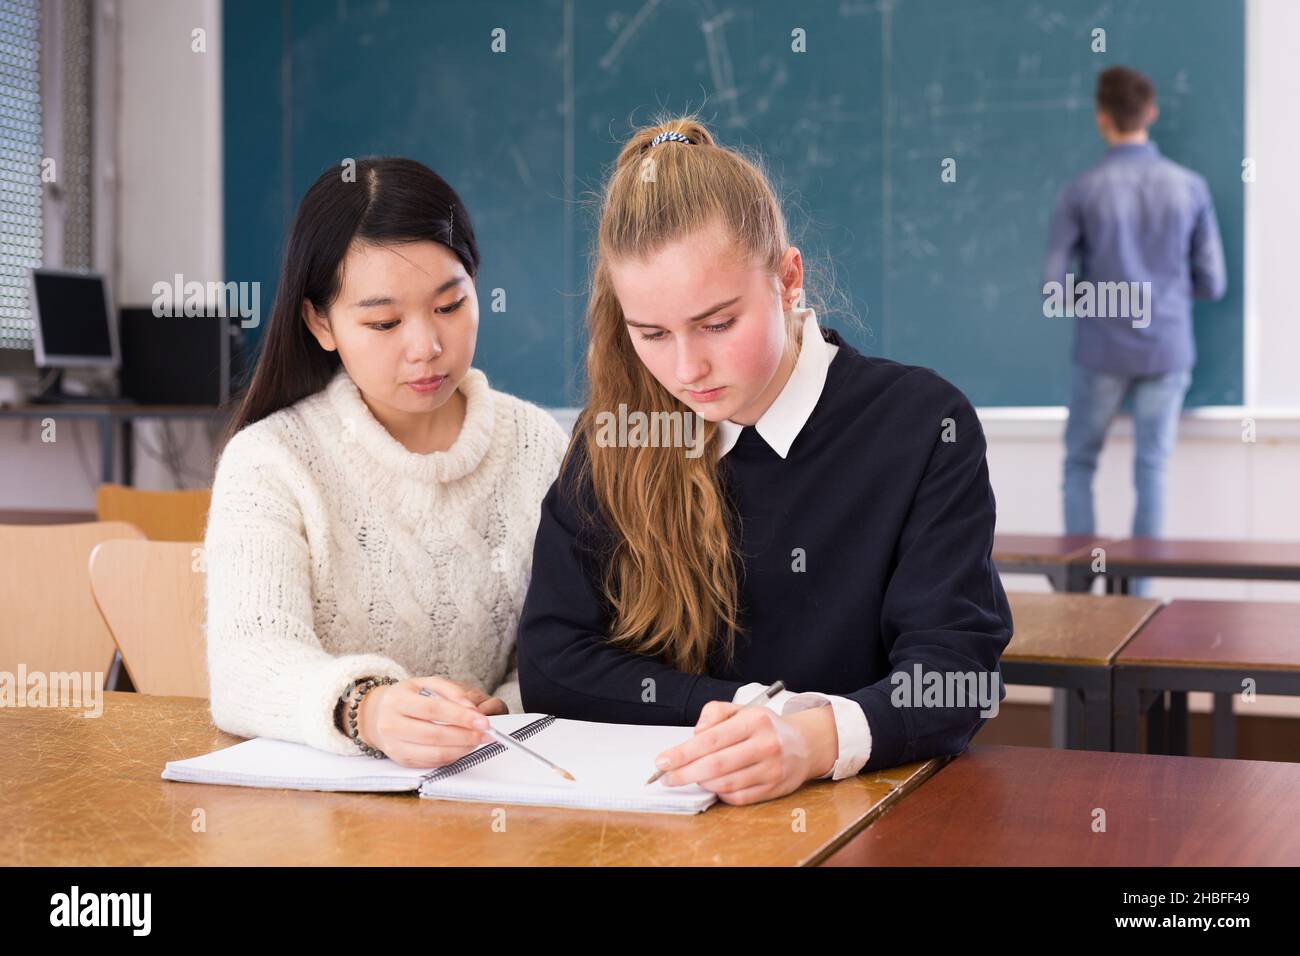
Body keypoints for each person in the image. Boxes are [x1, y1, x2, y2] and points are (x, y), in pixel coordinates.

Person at [517, 118, 1013, 806]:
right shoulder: (618, 435)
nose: (687, 369)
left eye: (718, 323)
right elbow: (553, 664)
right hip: (667, 816)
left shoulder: (921, 424)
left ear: (788, 279)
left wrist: (808, 743)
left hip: (868, 815)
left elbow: (955, 678)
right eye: (651, 334)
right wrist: (753, 712)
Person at [204, 158, 569, 768]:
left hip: (492, 779)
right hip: (319, 807)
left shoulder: (537, 445)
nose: (426, 346)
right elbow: (246, 663)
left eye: (450, 306)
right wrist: (367, 709)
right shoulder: (270, 460)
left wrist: (504, 707)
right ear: (321, 322)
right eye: (384, 322)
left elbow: (567, 644)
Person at [1046, 66, 1227, 595]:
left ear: (1102, 118)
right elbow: (1213, 282)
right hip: (1166, 347)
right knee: (1152, 467)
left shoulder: (1081, 191)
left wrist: (1106, 300)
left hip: (1101, 351)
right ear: (1150, 112)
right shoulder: (1190, 187)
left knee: (1080, 463)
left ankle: (1078, 592)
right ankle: (1140, 598)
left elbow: (1053, 288)